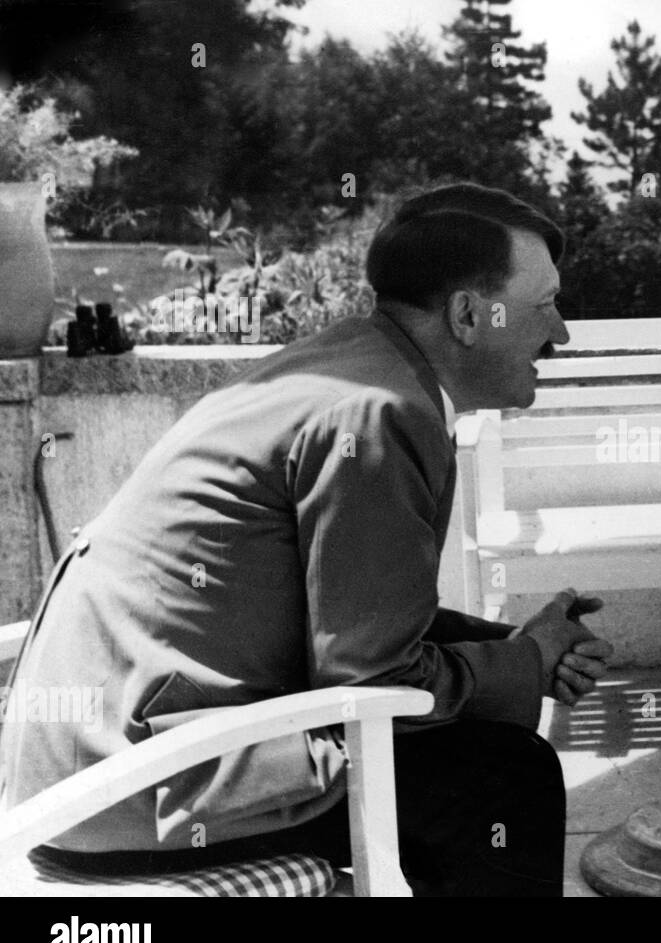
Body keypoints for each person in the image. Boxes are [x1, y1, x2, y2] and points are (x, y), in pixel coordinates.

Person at [0, 183, 613, 896]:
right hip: (145, 791)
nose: (562, 334)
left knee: (454, 775)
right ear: (469, 315)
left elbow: (345, 612)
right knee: (506, 781)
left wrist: (517, 647)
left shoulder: (350, 368)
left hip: (93, 767)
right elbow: (372, 680)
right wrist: (525, 664)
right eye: (546, 307)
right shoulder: (381, 411)